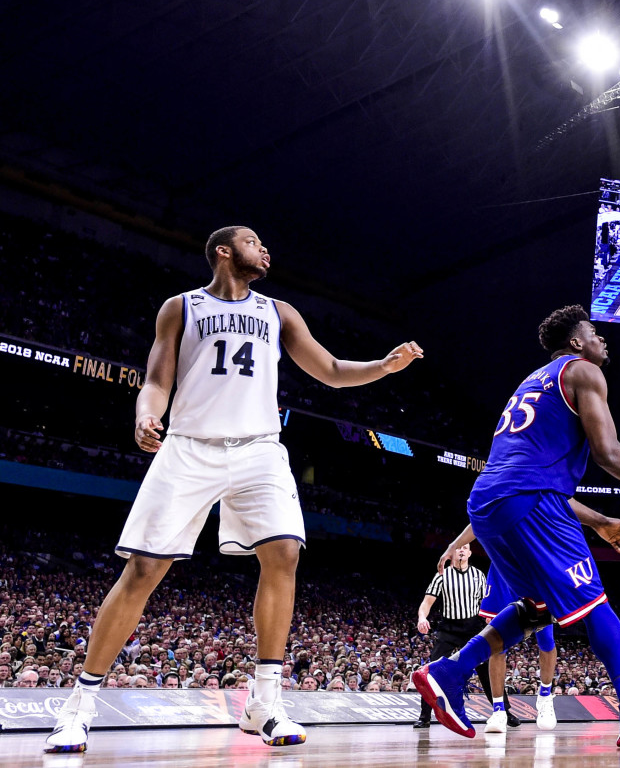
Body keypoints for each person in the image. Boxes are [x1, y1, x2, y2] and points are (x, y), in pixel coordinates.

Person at [44, 226, 423, 754]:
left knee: (285, 552)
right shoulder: (181, 307)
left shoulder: (280, 312)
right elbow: (157, 381)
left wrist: (383, 366)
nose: (264, 248)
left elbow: (333, 371)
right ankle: (79, 707)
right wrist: (146, 415)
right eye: (252, 241)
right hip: (189, 446)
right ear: (223, 251)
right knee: (144, 569)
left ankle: (264, 701)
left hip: (259, 448)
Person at [413, 305, 620, 748]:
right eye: (594, 332)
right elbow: (608, 452)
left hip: (487, 503)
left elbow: (533, 474)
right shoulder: (584, 371)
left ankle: (450, 670)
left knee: (538, 608)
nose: (602, 339)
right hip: (530, 500)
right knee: (595, 603)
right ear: (576, 342)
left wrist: (599, 521)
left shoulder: (531, 381)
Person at [434, 498, 620, 733]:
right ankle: (498, 709)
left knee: (546, 637)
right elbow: (490, 510)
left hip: (531, 554)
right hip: (513, 561)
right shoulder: (525, 482)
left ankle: (544, 696)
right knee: (501, 643)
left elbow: (485, 509)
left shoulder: (507, 483)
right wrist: (601, 521)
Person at [413, 543, 505, 731]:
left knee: (486, 669)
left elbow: (486, 601)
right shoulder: (442, 575)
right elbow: (427, 602)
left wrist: (490, 617)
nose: (461, 550)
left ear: (470, 553)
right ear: (453, 552)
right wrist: (422, 618)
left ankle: (505, 712)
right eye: (458, 548)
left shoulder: (478, 575)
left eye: (465, 547)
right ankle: (424, 717)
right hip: (448, 627)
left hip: (473, 626)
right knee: (432, 670)